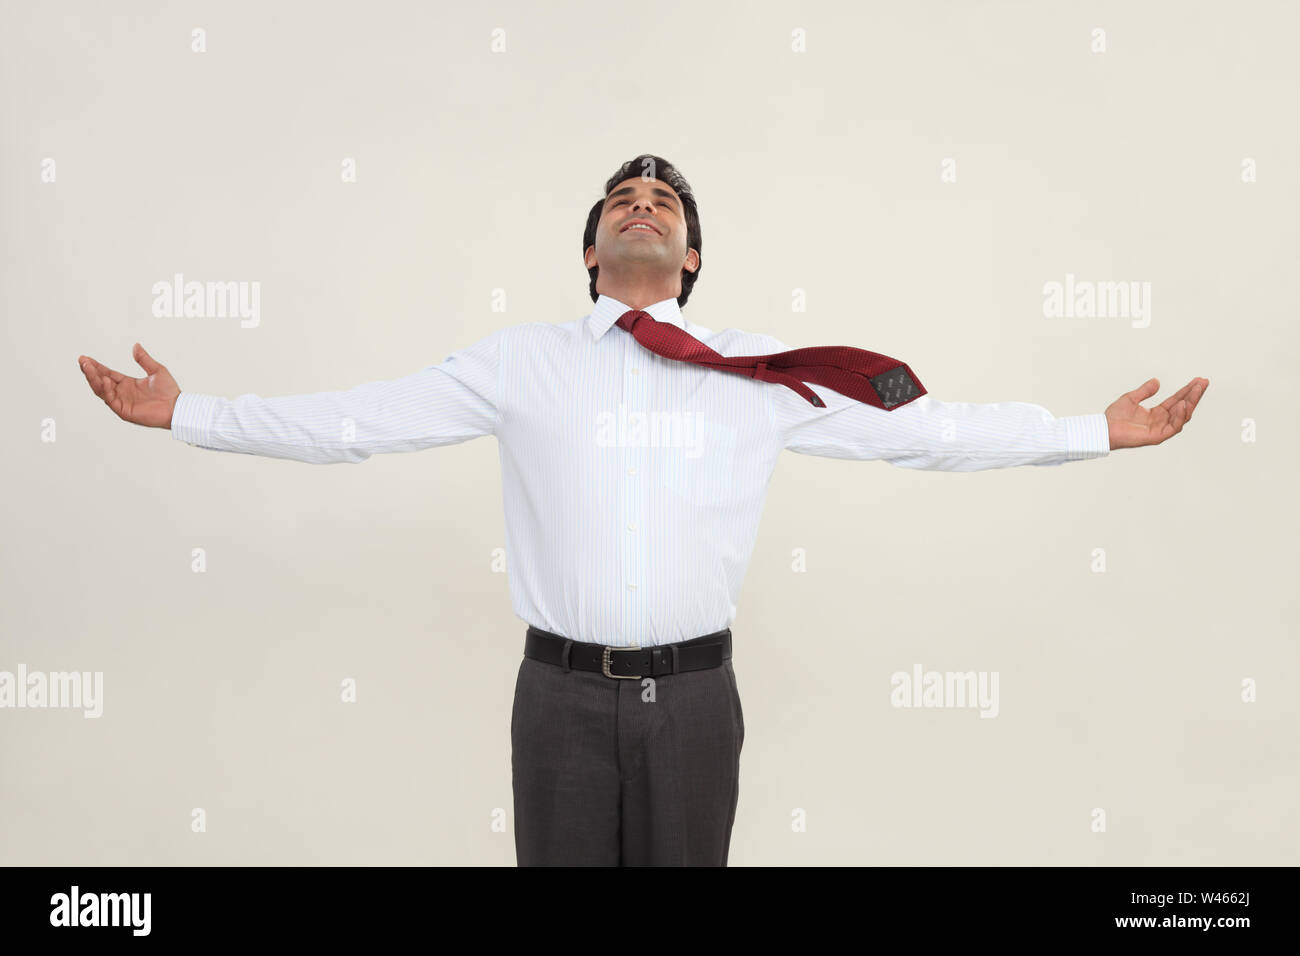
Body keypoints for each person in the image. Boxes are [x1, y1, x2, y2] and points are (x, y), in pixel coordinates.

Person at [78, 153, 1209, 866]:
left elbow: (929, 434)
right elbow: (358, 420)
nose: (642, 204)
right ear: (589, 250)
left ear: (691, 254)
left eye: (663, 201)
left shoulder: (766, 372)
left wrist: (1089, 429)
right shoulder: (519, 361)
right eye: (622, 198)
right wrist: (192, 413)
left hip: (697, 700)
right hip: (558, 696)